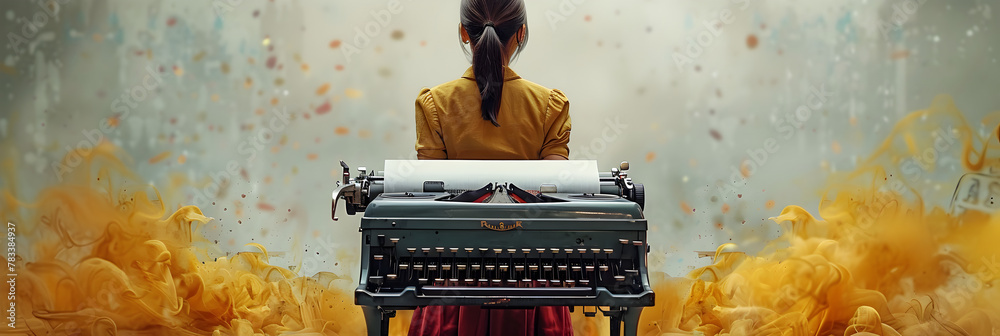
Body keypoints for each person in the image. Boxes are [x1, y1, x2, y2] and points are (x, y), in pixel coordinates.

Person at [409, 0, 573, 335]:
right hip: (533, 276)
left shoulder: (434, 104)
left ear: (463, 33)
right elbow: (557, 197)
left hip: (451, 278)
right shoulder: (550, 106)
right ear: (521, 33)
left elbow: (429, 201)